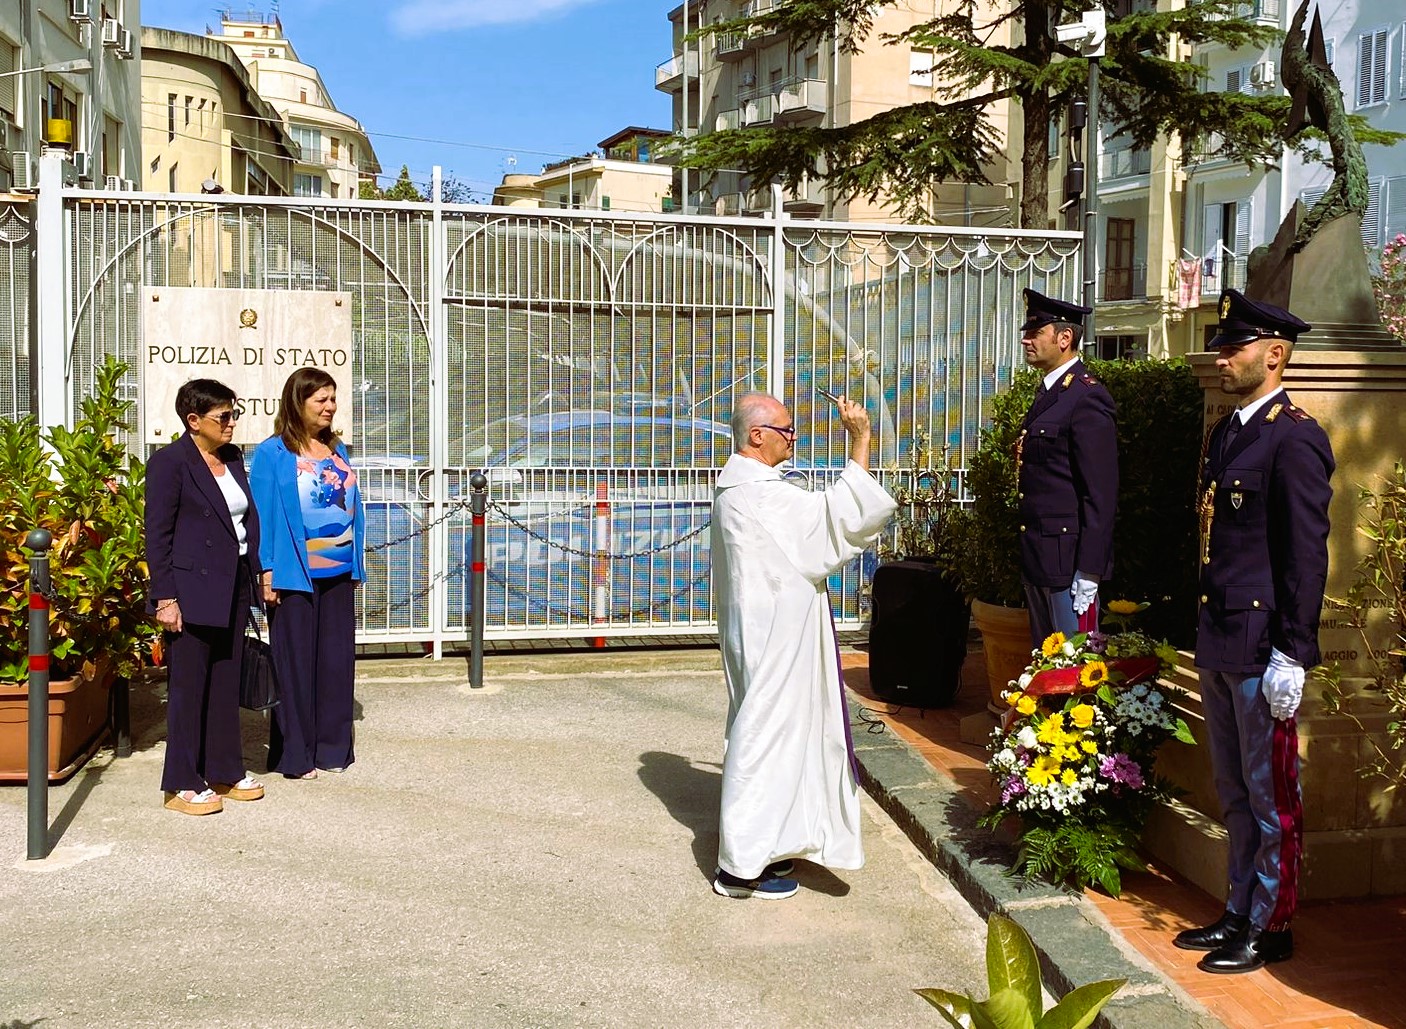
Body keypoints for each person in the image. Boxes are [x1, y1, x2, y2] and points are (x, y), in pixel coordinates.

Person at [1173, 289, 1333, 974]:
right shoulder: (1231, 429)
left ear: (1273, 354)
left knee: (1272, 800)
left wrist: (1294, 651)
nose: (1221, 356)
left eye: (1233, 346)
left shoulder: (1294, 435)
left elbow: (1305, 552)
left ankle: (1272, 922)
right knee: (1234, 789)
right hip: (1220, 633)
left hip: (1263, 643)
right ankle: (1240, 905)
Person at [710, 391, 896, 899]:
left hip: (763, 631)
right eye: (787, 430)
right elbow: (838, 519)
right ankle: (741, 866)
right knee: (767, 736)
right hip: (776, 638)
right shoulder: (760, 493)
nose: (794, 437)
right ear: (757, 435)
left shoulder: (737, 486)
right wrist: (861, 440)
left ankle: (773, 842)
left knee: (775, 734)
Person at [144, 379, 266, 815]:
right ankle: (180, 783)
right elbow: (157, 536)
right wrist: (165, 598)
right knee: (188, 689)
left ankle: (224, 770)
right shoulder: (169, 463)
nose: (232, 423)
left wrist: (259, 573)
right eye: (224, 417)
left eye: (234, 414)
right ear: (194, 421)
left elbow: (246, 522)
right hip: (189, 591)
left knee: (224, 681)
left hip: (232, 584)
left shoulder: (231, 457)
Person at [250, 368, 366, 780]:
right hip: (291, 575)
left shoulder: (337, 449)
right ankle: (296, 755)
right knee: (295, 667)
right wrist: (266, 572)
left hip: (337, 572)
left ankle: (332, 748)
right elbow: (260, 518)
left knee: (336, 664)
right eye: (321, 400)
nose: (330, 407)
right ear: (297, 403)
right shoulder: (271, 453)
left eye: (332, 399)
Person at [1015, 287, 1119, 646]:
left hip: (1069, 566)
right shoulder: (1050, 393)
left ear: (1064, 338)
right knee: (1044, 675)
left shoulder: (1087, 397)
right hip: (1040, 558)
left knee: (1073, 677)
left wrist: (1090, 569)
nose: (1026, 340)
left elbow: (1100, 492)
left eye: (1035, 333)